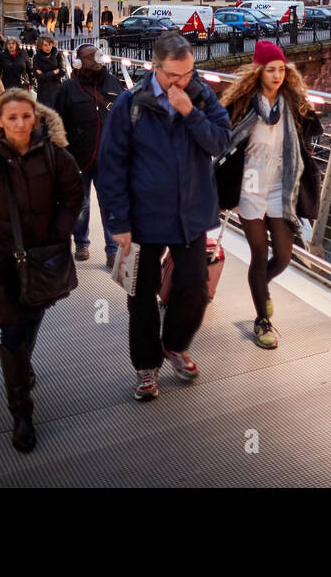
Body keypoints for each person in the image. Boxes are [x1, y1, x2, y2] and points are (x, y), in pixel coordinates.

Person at [96, 32, 231, 401]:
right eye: (174, 76)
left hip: (190, 214)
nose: (182, 82)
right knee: (140, 294)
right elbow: (111, 167)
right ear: (155, 68)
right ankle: (146, 365)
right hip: (143, 217)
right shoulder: (129, 105)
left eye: (188, 73)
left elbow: (221, 142)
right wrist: (118, 223)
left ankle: (173, 344)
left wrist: (189, 112)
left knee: (194, 287)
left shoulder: (201, 97)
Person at [0, 89, 83, 452]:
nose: (20, 124)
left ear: (36, 116)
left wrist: (59, 234)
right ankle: (21, 412)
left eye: (26, 116)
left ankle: (22, 365)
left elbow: (73, 194)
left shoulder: (56, 156)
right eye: (12, 118)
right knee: (11, 331)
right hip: (0, 260)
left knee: (32, 316)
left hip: (42, 258)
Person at [216, 41, 322, 349]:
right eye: (270, 70)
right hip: (250, 183)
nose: (277, 75)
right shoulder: (243, 103)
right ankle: (262, 320)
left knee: (285, 257)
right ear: (258, 71)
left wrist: (308, 108)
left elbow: (311, 131)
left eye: (281, 70)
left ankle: (261, 287)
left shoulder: (292, 101)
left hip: (282, 184)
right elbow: (224, 136)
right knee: (259, 256)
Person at [53, 43, 125, 265]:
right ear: (78, 62)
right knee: (81, 203)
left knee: (109, 204)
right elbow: (58, 123)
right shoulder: (68, 88)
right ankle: (82, 243)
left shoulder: (113, 84)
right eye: (91, 57)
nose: (97, 60)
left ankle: (112, 249)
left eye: (98, 56)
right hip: (78, 157)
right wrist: (62, 155)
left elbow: (124, 119)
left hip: (108, 159)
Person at [32, 35, 65, 108]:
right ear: (40, 46)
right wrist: (53, 72)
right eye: (45, 45)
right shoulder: (37, 57)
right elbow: (38, 76)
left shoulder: (58, 55)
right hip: (43, 90)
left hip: (56, 89)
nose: (48, 47)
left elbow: (62, 71)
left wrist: (44, 74)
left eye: (50, 44)